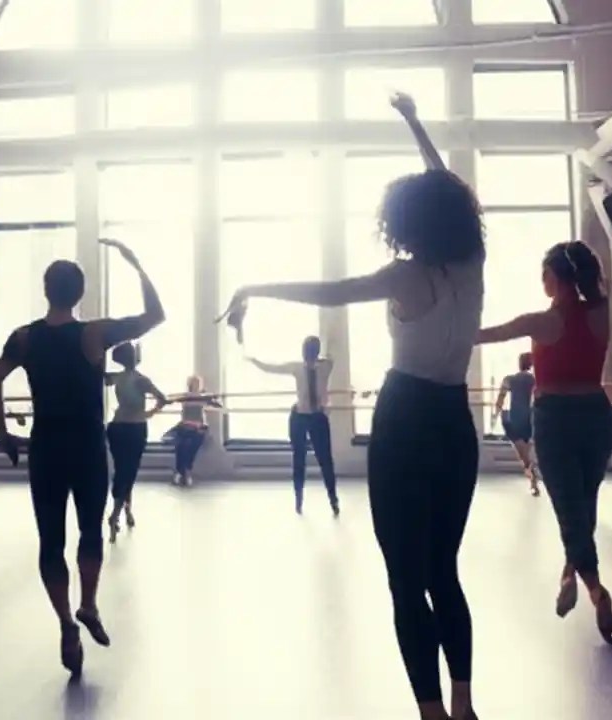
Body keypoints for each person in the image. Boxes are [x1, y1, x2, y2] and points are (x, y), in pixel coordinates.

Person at [219, 92, 482, 720]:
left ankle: (432, 713)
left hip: (405, 420)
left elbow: (330, 290)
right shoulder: (473, 263)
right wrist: (415, 122)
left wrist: (256, 284)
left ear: (404, 223)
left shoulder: (401, 274)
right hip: (454, 420)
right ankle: (465, 704)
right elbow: (447, 183)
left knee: (404, 581)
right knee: (443, 571)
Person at [0, 239, 164, 675]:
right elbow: (155, 316)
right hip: (86, 448)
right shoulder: (94, 334)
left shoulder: (24, 338)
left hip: (46, 448)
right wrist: (137, 264)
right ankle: (88, 604)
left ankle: (66, 622)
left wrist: (4, 431)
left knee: (50, 541)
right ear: (79, 293)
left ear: (46, 290)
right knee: (90, 532)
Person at [477, 241, 612, 644]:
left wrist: (440, 330)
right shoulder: (602, 313)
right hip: (595, 413)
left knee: (569, 509)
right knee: (584, 503)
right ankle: (569, 572)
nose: (542, 282)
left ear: (554, 278)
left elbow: (489, 334)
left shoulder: (542, 321)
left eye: (544, 275)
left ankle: (595, 590)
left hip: (555, 418)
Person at [247, 335, 340, 515]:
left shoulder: (324, 366)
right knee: (299, 459)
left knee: (325, 460)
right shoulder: (304, 367)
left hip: (317, 417)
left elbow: (331, 353)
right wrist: (256, 362)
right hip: (299, 417)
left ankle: (333, 499)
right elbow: (273, 368)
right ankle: (299, 499)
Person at [105, 342, 166, 542]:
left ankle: (126, 511)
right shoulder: (141, 380)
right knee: (128, 472)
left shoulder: (116, 378)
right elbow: (162, 399)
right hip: (134, 429)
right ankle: (115, 514)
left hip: (116, 428)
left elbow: (102, 380)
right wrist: (150, 413)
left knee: (123, 471)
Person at [493, 352, 540, 497]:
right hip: (529, 418)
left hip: (514, 419)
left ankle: (533, 479)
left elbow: (501, 398)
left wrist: (495, 414)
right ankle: (533, 479)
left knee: (523, 456)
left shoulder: (510, 379)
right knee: (525, 454)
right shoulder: (534, 379)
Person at [166, 375, 221, 487]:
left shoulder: (203, 397)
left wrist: (212, 398)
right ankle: (182, 471)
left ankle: (184, 471)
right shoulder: (185, 397)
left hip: (198, 428)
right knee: (181, 445)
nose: (195, 386)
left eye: (197, 384)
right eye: (193, 384)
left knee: (190, 444)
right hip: (185, 427)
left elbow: (218, 405)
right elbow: (170, 401)